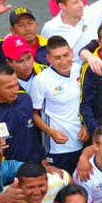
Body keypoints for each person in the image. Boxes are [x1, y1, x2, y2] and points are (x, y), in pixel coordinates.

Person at [29, 38, 84, 174]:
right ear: (49, 58)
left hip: (82, 141)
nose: (64, 61)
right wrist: (50, 132)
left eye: (66, 55)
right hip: (57, 147)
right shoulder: (41, 81)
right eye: (57, 57)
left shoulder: (80, 70)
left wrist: (87, 126)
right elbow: (33, 113)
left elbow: (87, 102)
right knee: (60, 188)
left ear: (71, 52)